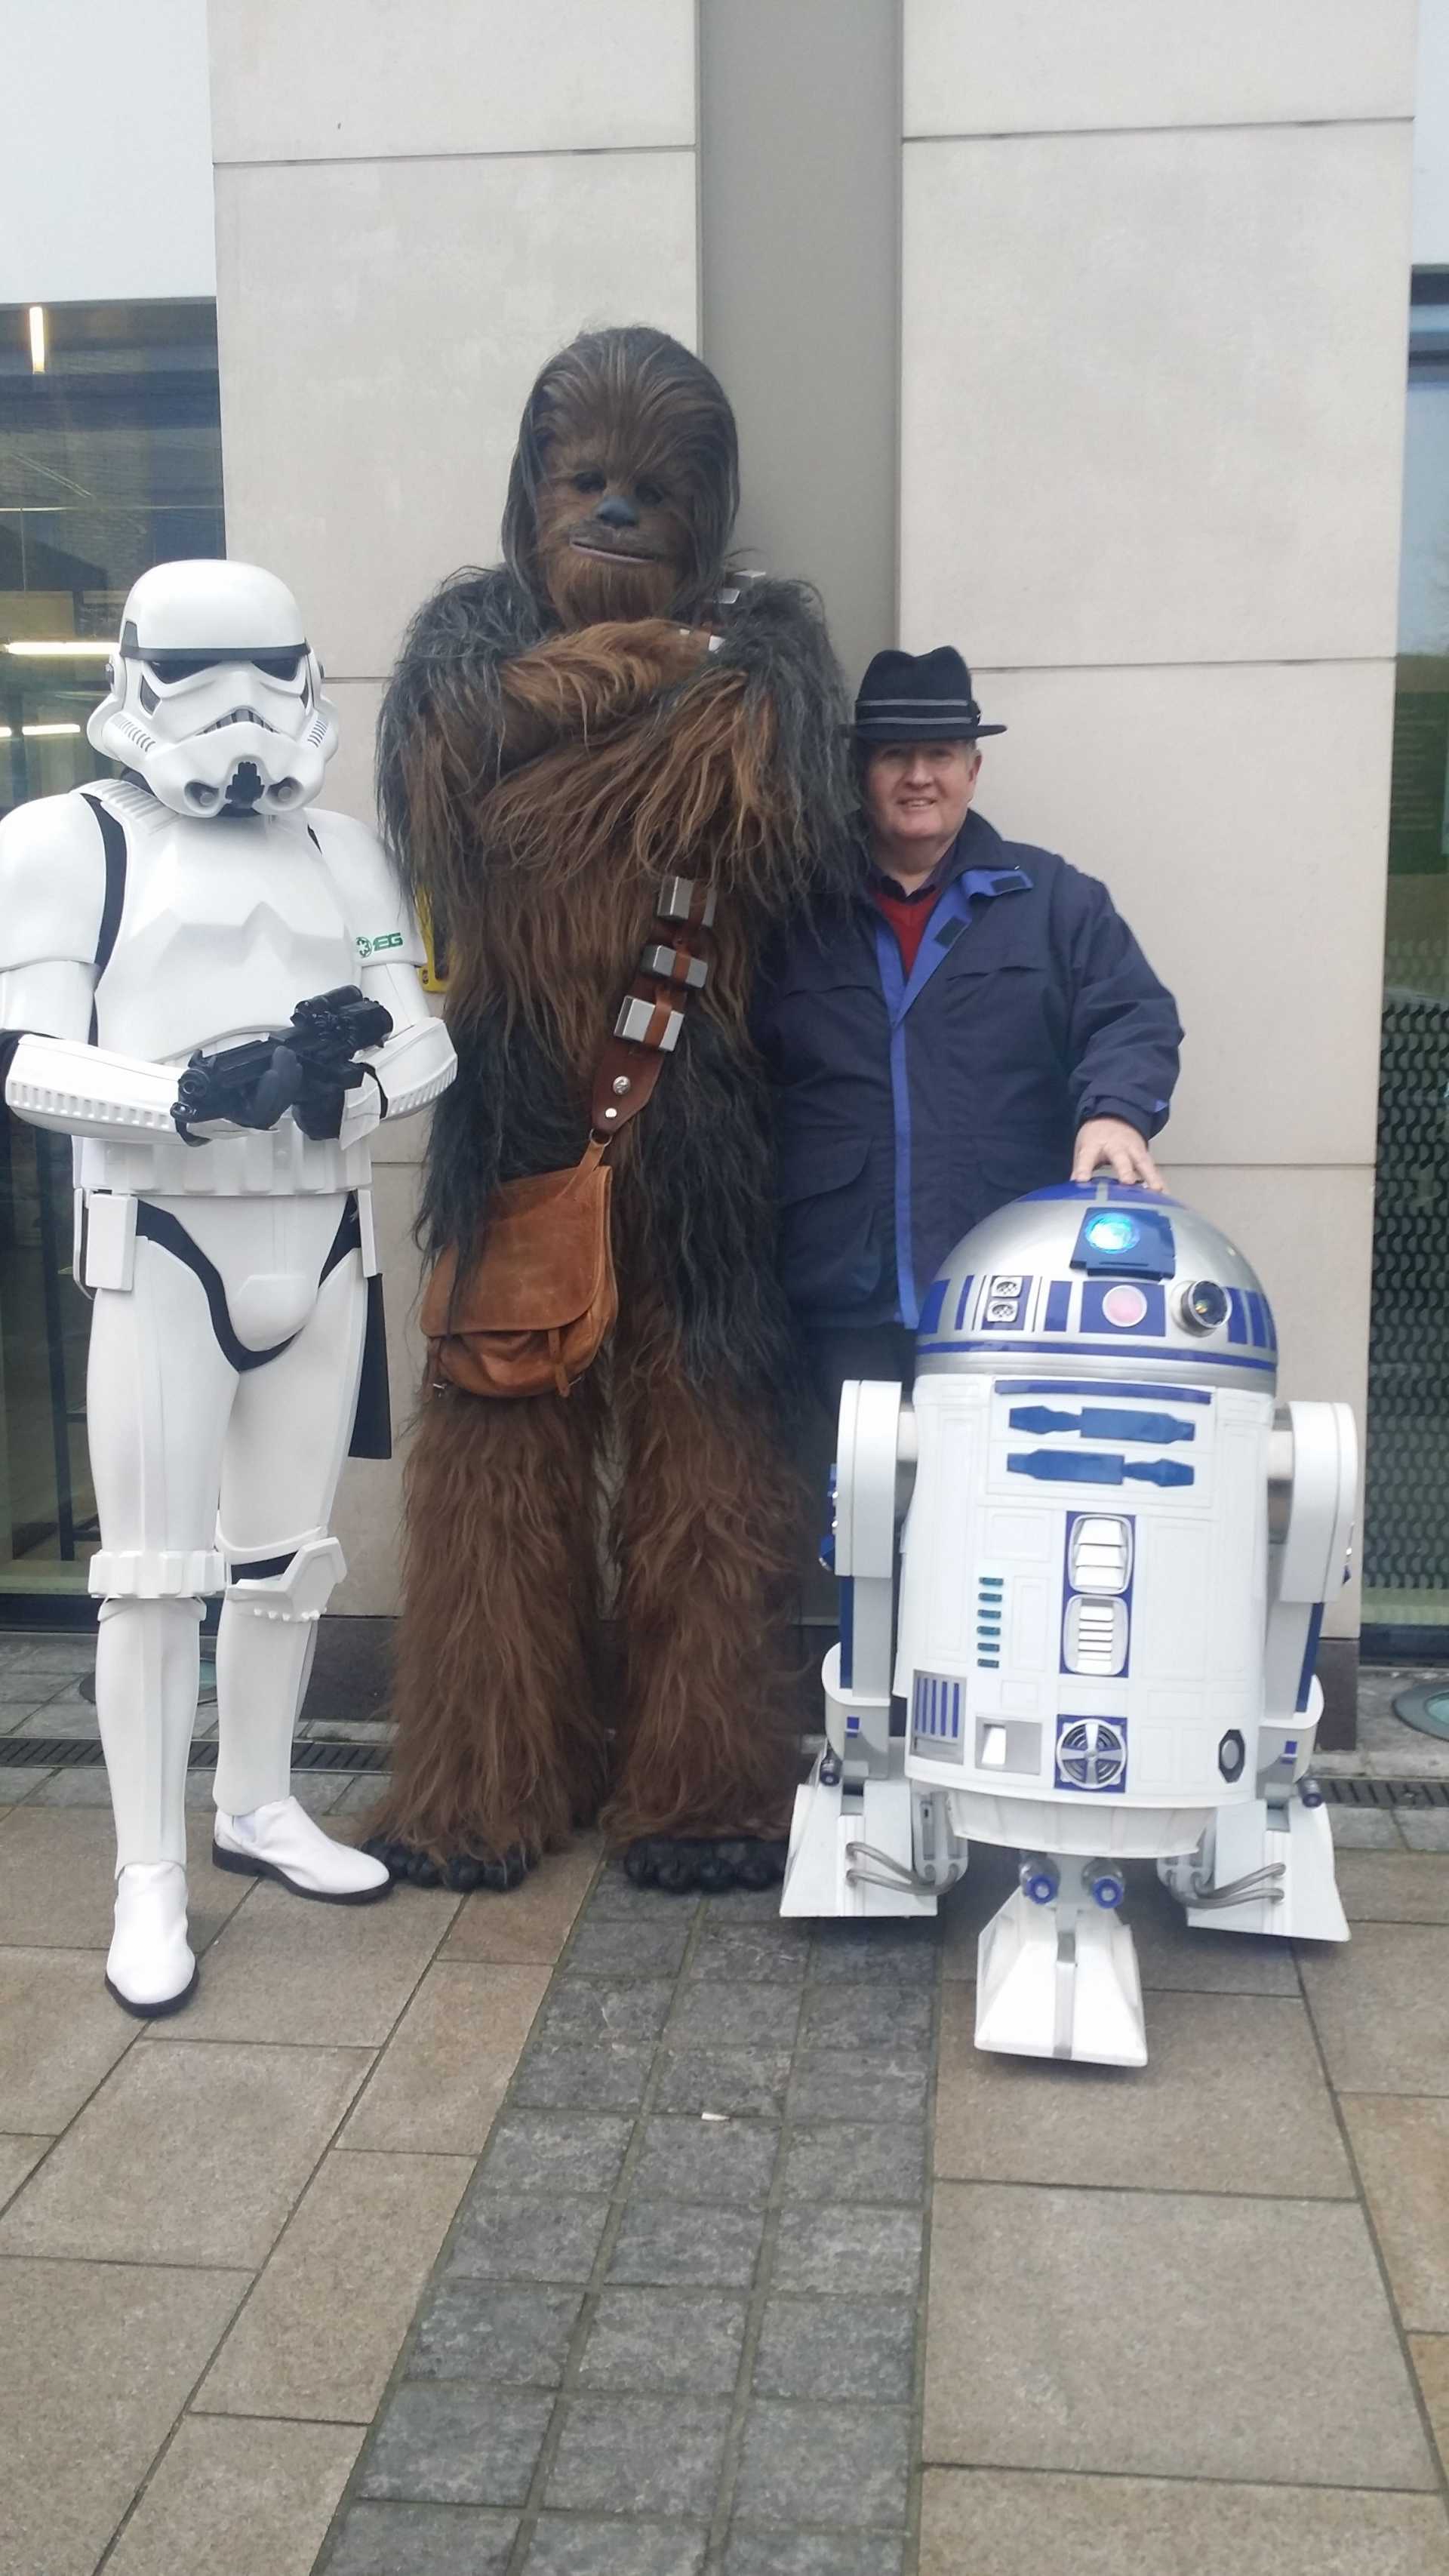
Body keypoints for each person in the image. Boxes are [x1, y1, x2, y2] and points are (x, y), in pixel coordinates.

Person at [754, 644, 1183, 1417]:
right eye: (895, 755)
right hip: (834, 1307)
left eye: (941, 754)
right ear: (860, 771)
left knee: (990, 1521)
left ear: (973, 770)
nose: (920, 776)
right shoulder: (794, 913)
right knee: (843, 1526)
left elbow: (1134, 1014)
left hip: (1007, 1297)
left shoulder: (1055, 902)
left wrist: (1116, 1109)